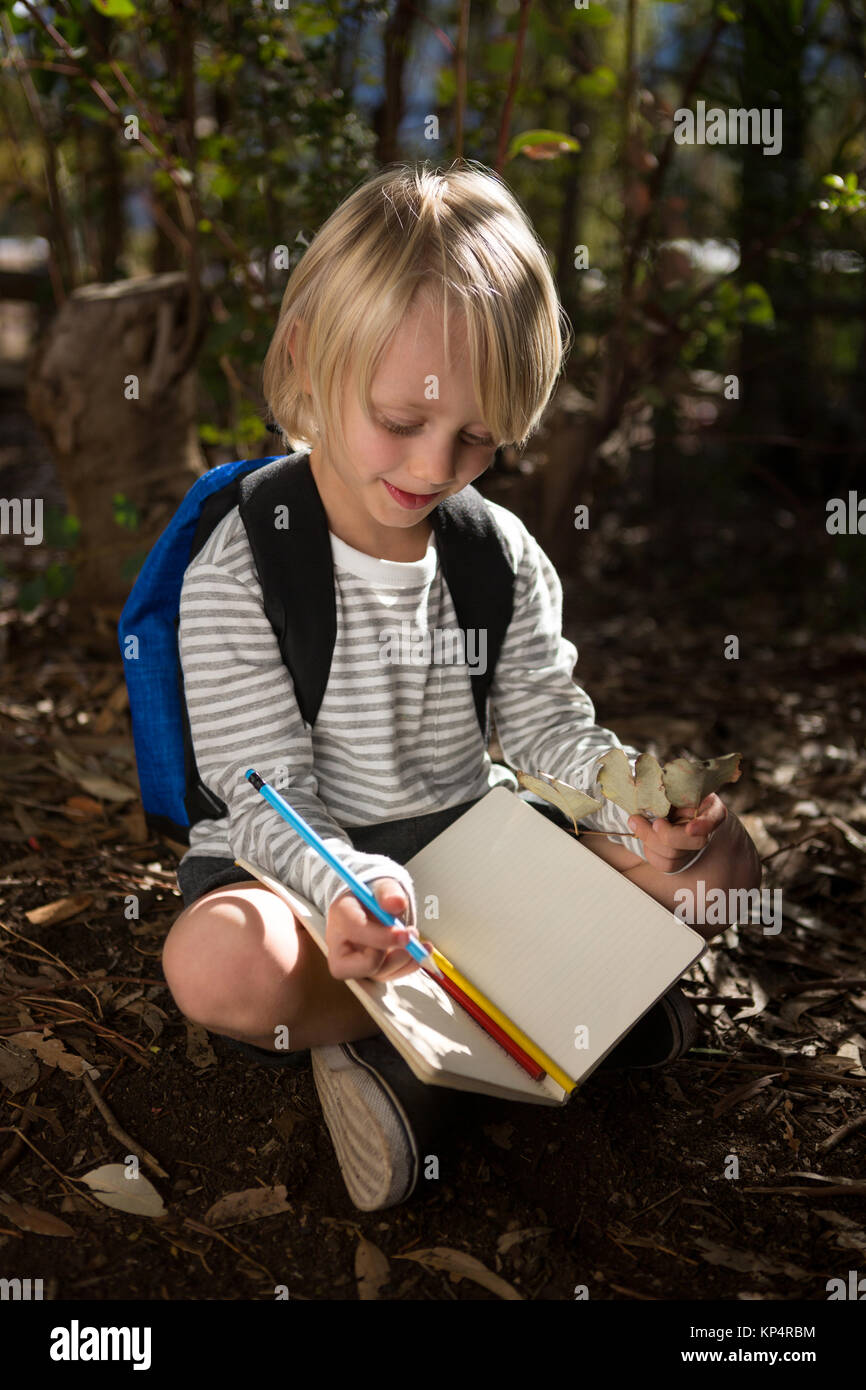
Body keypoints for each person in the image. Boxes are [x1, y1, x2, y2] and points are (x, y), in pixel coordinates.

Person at [161, 160, 761, 1212]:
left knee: (717, 865)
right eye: (401, 421)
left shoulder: (497, 553)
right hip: (313, 881)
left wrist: (628, 794)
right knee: (217, 967)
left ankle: (428, 1046)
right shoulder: (246, 558)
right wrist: (345, 884)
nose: (435, 466)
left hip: (476, 855)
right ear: (307, 356)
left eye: (478, 438)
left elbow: (543, 727)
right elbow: (260, 791)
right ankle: (546, 1019)